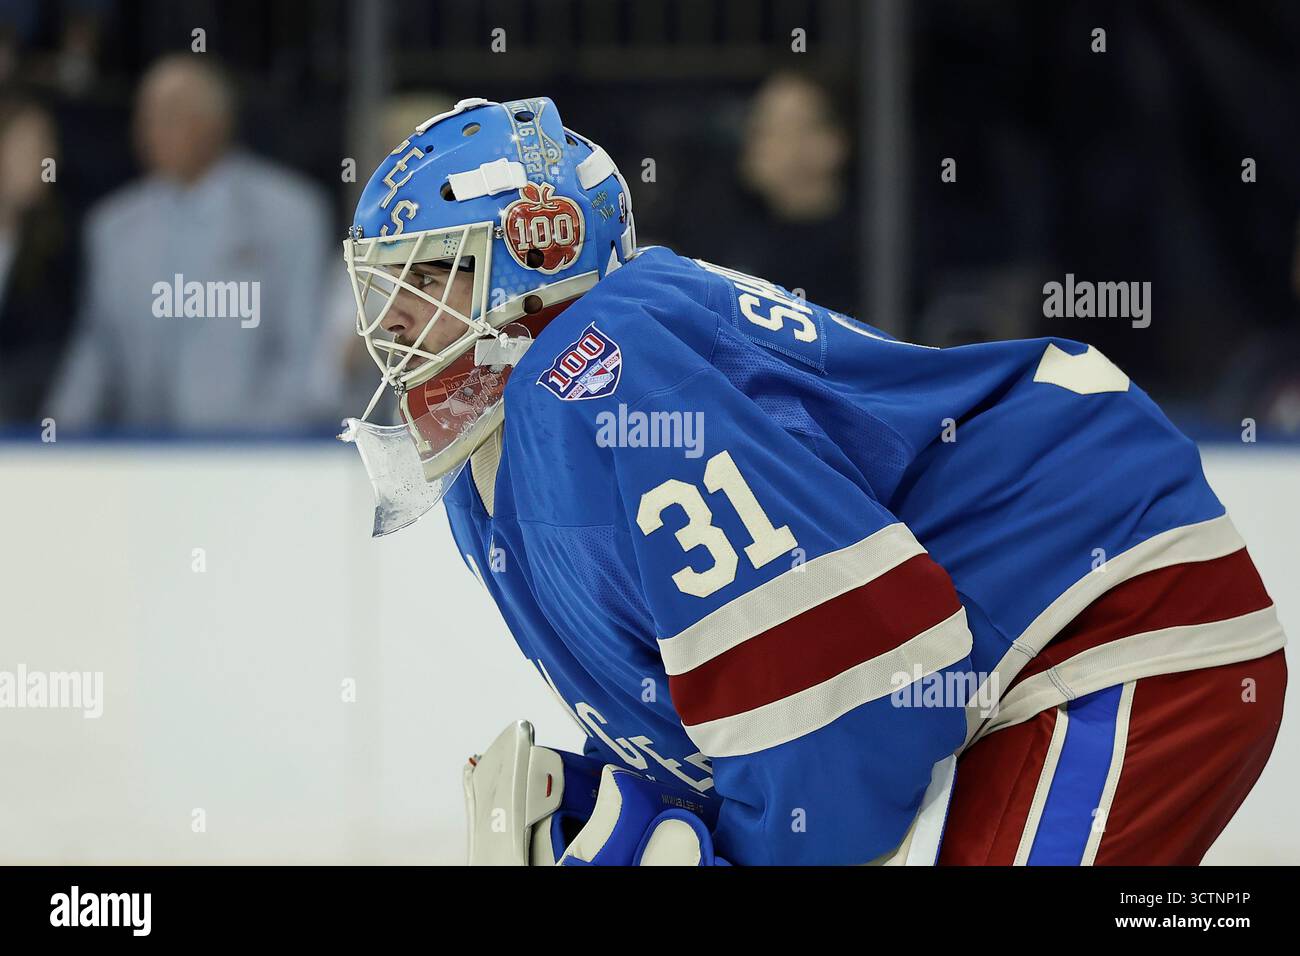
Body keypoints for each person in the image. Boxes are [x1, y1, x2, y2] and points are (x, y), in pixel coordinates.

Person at [339, 97, 1286, 866]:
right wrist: (634, 818)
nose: (400, 316)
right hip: (1027, 650)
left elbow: (856, 686)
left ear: (540, 255)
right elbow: (726, 725)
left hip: (1117, 611)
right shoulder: (492, 457)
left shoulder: (603, 361)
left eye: (432, 276)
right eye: (389, 285)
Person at [48, 54, 333, 432]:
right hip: (138, 460)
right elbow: (95, 354)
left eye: (170, 114)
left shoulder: (291, 214)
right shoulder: (112, 226)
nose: (149, 129)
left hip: (256, 458)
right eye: (144, 115)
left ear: (216, 123)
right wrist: (51, 441)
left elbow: (305, 357)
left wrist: (248, 453)